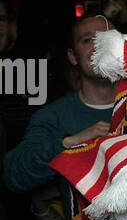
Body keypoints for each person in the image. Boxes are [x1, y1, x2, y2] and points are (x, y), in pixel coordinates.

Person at [3, 13, 115, 195]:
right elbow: (14, 175)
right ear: (73, 57)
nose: (100, 46)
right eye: (88, 40)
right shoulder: (52, 117)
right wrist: (72, 143)